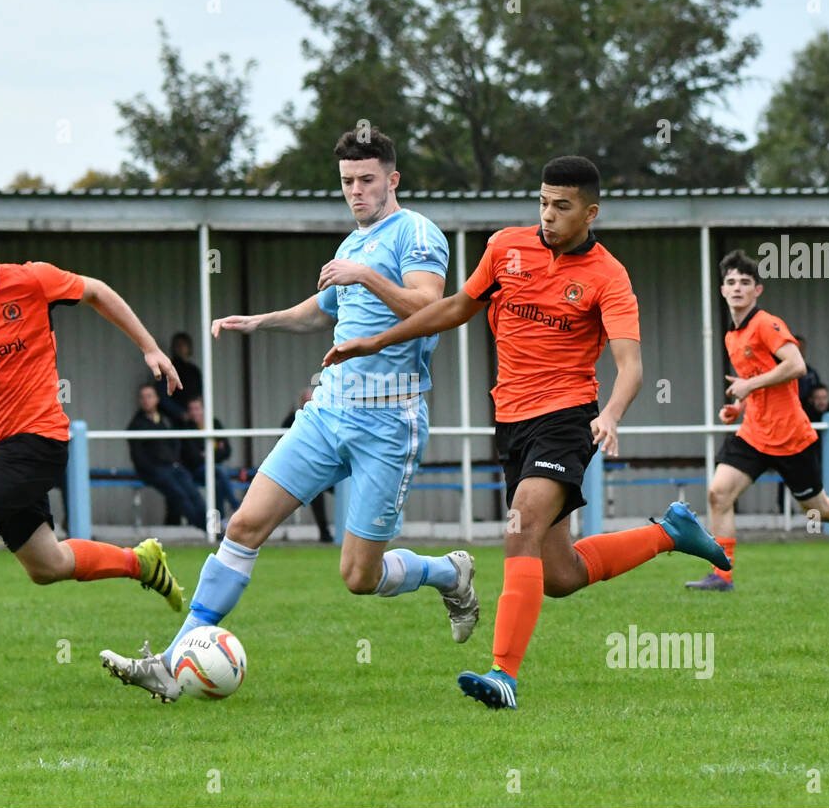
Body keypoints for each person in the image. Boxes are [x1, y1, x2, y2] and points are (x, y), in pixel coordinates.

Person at [326, 155, 734, 711]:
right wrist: (376, 341)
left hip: (568, 419)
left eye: (562, 207)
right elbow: (454, 308)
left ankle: (504, 676)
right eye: (542, 202)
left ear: (590, 212)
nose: (548, 215)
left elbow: (630, 365)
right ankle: (671, 533)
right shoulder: (504, 248)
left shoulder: (608, 276)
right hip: (511, 420)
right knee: (560, 575)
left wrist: (610, 414)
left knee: (518, 528)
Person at [99, 128, 478, 703]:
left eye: (367, 180)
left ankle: (450, 573)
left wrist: (369, 277)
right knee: (244, 526)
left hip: (390, 419)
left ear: (393, 179)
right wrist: (258, 321)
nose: (356, 192)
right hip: (327, 412)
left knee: (359, 577)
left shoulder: (416, 233)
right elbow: (317, 312)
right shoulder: (351, 246)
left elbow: (434, 307)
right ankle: (174, 661)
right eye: (347, 181)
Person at [0, 213, 185, 693]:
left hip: (39, 440)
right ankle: (142, 563)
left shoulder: (31, 280)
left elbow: (98, 291)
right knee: (49, 566)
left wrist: (150, 349)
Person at [683, 250, 829, 591]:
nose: (737, 288)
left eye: (745, 282)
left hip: (789, 437)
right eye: (730, 282)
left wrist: (748, 385)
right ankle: (721, 576)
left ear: (758, 290)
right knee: (718, 493)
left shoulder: (767, 324)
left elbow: (796, 365)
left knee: (821, 509)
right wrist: (739, 405)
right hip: (754, 433)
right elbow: (758, 380)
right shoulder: (731, 336)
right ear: (722, 290)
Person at [128, 385, 207, 533]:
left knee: (194, 494)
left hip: (173, 467)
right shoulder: (136, 424)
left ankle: (213, 526)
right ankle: (205, 528)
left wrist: (175, 461)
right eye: (143, 397)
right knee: (179, 494)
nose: (146, 400)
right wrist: (151, 468)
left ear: (157, 399)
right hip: (155, 471)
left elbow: (175, 443)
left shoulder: (166, 421)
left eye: (149, 396)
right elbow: (137, 455)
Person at [283, 387, 334, 543]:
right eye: (308, 401)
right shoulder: (291, 420)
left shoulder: (327, 417)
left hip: (329, 468)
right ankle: (324, 534)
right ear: (302, 402)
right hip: (303, 469)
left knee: (349, 489)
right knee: (316, 495)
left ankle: (356, 532)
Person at [179, 396, 240, 519]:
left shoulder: (214, 423)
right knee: (221, 471)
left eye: (197, 408)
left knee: (218, 483)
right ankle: (236, 506)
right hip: (196, 471)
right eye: (191, 409)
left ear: (204, 409)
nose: (194, 412)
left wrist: (208, 453)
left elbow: (227, 451)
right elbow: (194, 457)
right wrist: (216, 451)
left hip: (214, 472)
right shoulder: (187, 428)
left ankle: (218, 524)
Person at [156, 332, 203, 423]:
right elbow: (162, 396)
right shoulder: (167, 368)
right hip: (171, 418)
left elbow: (199, 395)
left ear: (189, 347)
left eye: (183, 344)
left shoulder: (194, 370)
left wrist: (196, 412)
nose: (180, 348)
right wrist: (180, 412)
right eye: (177, 345)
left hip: (192, 417)